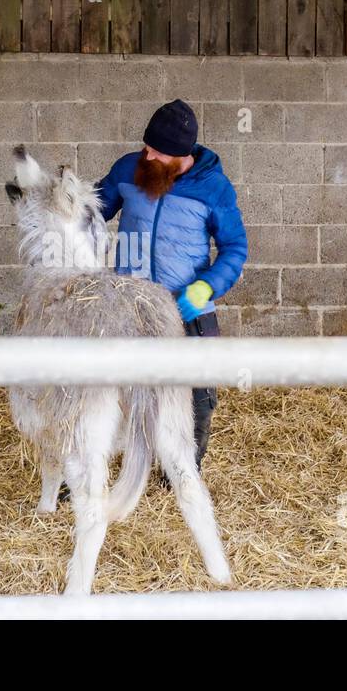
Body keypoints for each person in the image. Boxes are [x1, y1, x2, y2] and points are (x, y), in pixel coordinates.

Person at [95, 99, 248, 469]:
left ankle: (182, 468)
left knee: (197, 392)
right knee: (113, 386)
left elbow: (235, 248)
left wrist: (206, 288)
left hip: (186, 306)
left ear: (180, 157)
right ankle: (104, 460)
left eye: (157, 151)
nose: (146, 154)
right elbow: (92, 212)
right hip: (130, 304)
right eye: (146, 145)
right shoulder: (128, 169)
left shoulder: (214, 189)